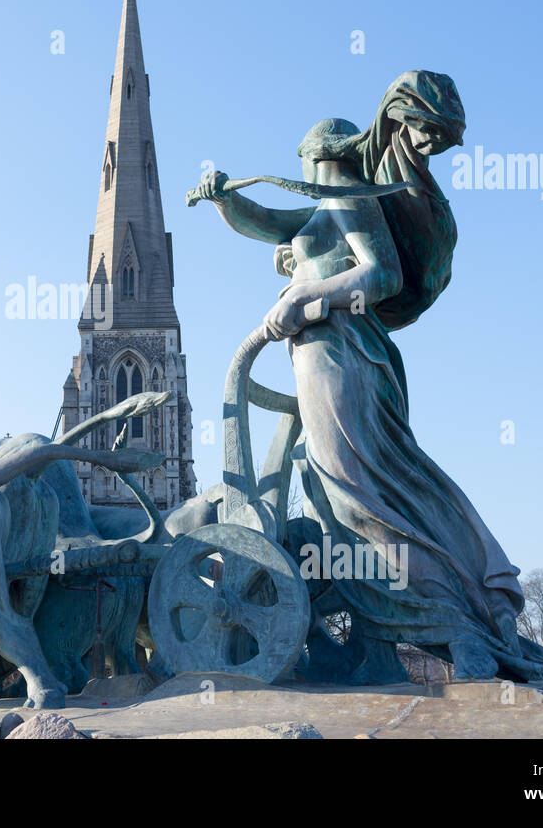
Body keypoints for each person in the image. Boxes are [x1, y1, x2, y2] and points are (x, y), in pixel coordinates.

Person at [192, 71, 523, 680]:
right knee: (352, 498)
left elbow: (381, 276)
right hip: (324, 361)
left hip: (343, 359)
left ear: (322, 159)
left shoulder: (348, 200)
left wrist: (303, 297)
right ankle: (395, 636)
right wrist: (221, 198)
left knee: (364, 497)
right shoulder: (324, 211)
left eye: (307, 163)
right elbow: (263, 218)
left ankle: (454, 617)